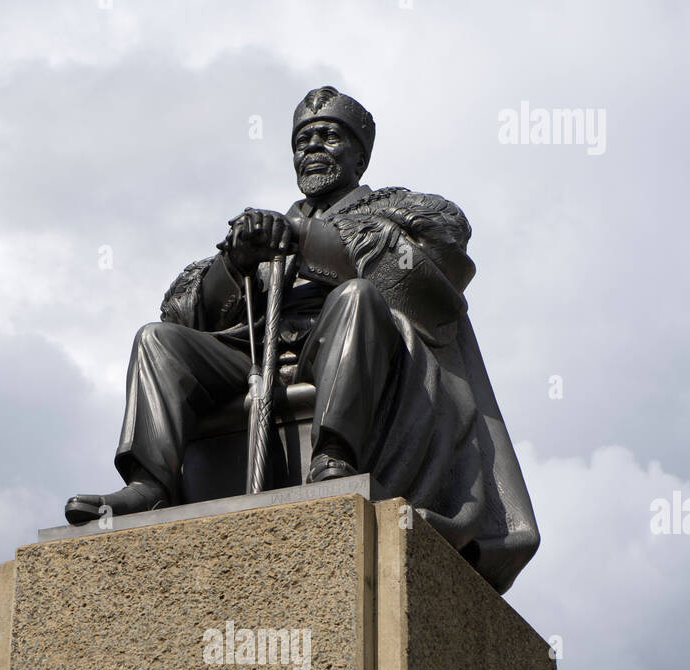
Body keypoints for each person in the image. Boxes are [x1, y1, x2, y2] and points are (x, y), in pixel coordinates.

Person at [65, 86, 539, 594]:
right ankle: (149, 484)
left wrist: (304, 239)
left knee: (355, 296)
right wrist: (236, 262)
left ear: (360, 154)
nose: (313, 148)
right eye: (303, 140)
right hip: (253, 350)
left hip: (353, 346)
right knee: (157, 339)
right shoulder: (263, 225)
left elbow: (428, 276)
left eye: (330, 136)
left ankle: (334, 458)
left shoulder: (403, 210)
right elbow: (185, 311)